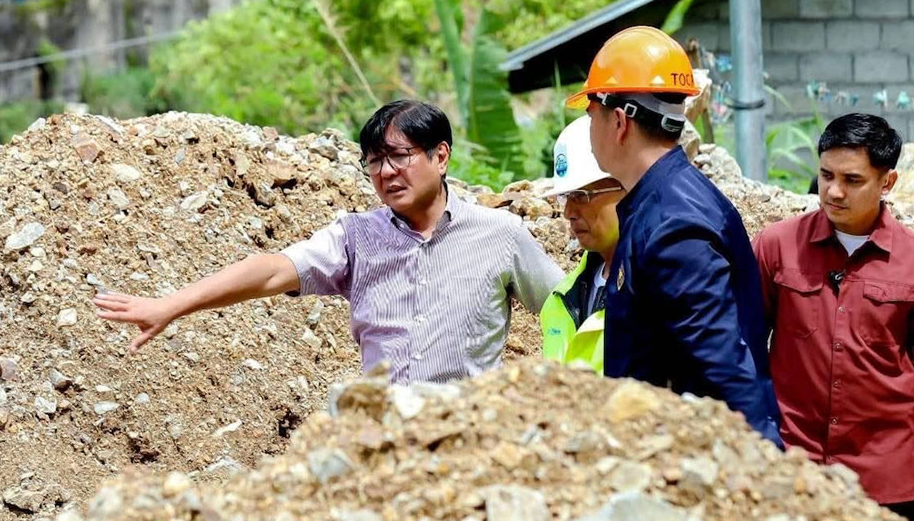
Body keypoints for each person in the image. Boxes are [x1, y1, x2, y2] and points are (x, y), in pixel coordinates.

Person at [94, 100, 563, 384]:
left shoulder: (500, 235)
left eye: (398, 157)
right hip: (378, 441)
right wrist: (172, 304)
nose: (385, 172)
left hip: (469, 437)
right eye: (374, 161)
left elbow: (567, 309)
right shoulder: (356, 238)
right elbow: (273, 270)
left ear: (440, 156)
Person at [752, 114, 914, 521]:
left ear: (887, 182)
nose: (834, 191)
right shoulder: (776, 247)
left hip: (881, 484)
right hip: (787, 470)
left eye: (852, 180)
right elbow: (740, 347)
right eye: (825, 175)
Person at [568, 25, 782, 446]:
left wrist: (764, 468)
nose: (587, 124)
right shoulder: (658, 203)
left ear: (619, 121)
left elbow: (722, 367)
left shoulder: (672, 223)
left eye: (589, 112)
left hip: (697, 467)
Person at [540, 116, 625, 373]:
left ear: (628, 187)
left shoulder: (656, 292)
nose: (568, 212)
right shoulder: (560, 298)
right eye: (566, 196)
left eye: (581, 195)